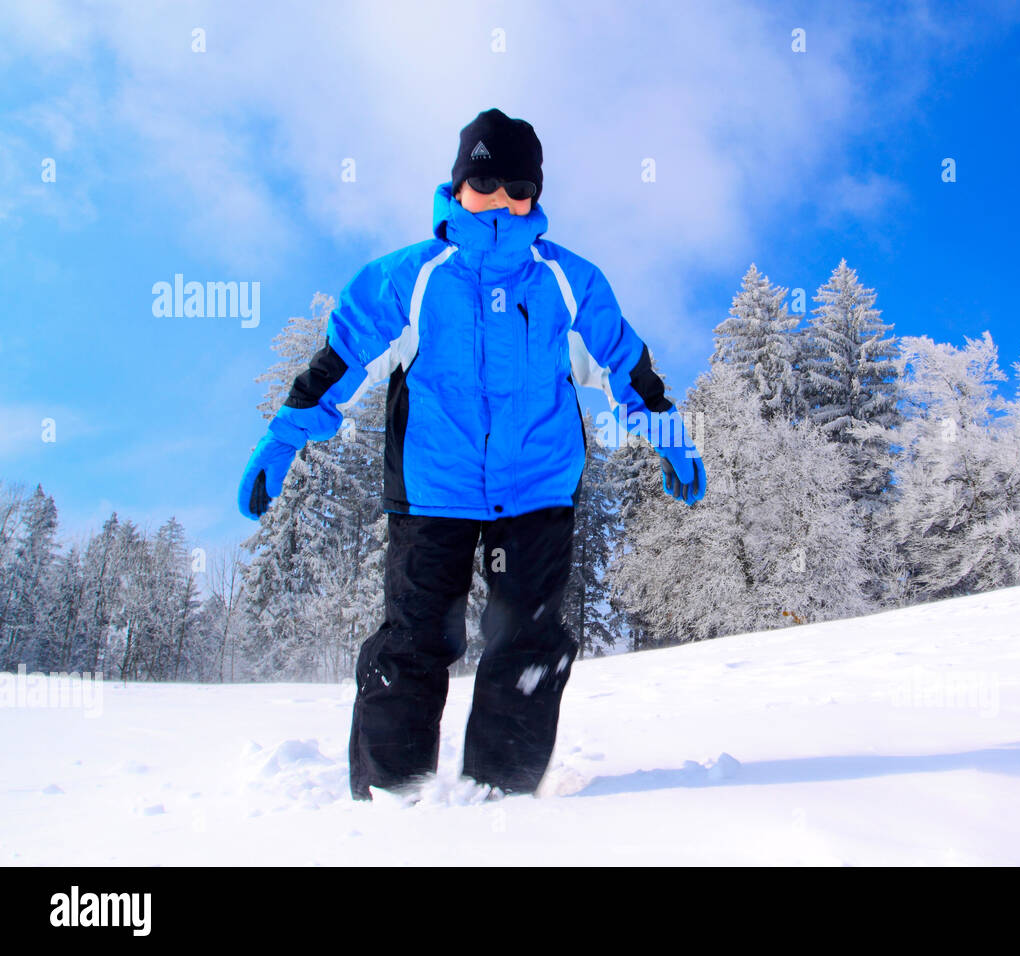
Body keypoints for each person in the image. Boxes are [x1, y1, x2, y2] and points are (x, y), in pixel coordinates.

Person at [236, 108, 706, 801]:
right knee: (414, 639)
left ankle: (502, 799)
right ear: (458, 186)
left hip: (537, 490)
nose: (501, 199)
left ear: (534, 196)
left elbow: (626, 365)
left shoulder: (568, 280)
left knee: (528, 641)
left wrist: (669, 436)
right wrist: (284, 437)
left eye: (519, 187)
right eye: (485, 182)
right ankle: (392, 798)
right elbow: (337, 360)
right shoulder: (410, 277)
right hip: (434, 488)